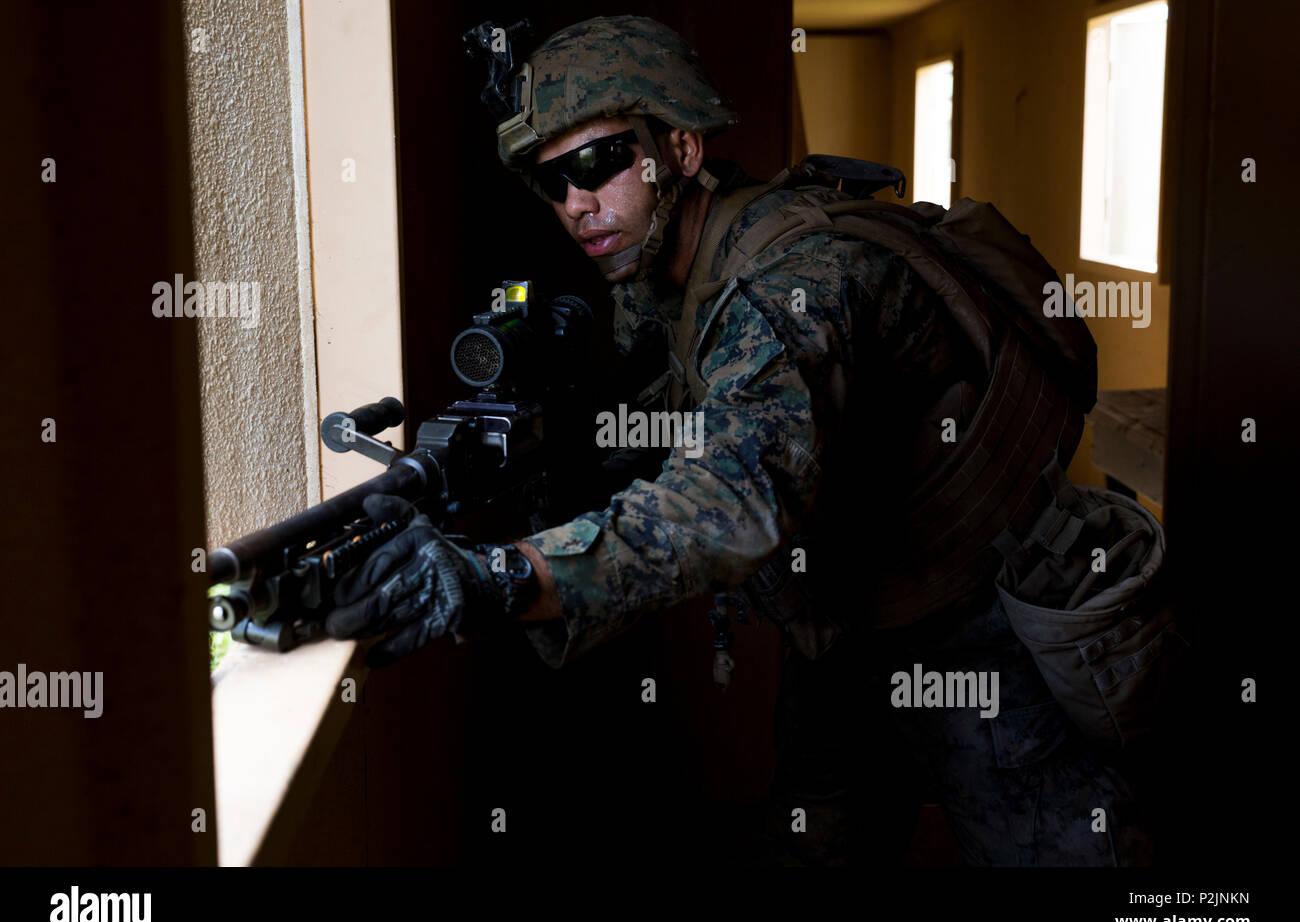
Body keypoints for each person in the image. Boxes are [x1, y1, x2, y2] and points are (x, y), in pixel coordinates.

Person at [325, 15, 1155, 866]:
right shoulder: (664, 274)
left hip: (982, 623)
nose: (578, 203)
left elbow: (729, 499)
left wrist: (508, 576)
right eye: (553, 183)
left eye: (601, 161)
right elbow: (657, 413)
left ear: (681, 150)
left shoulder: (791, 284)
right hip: (849, 632)